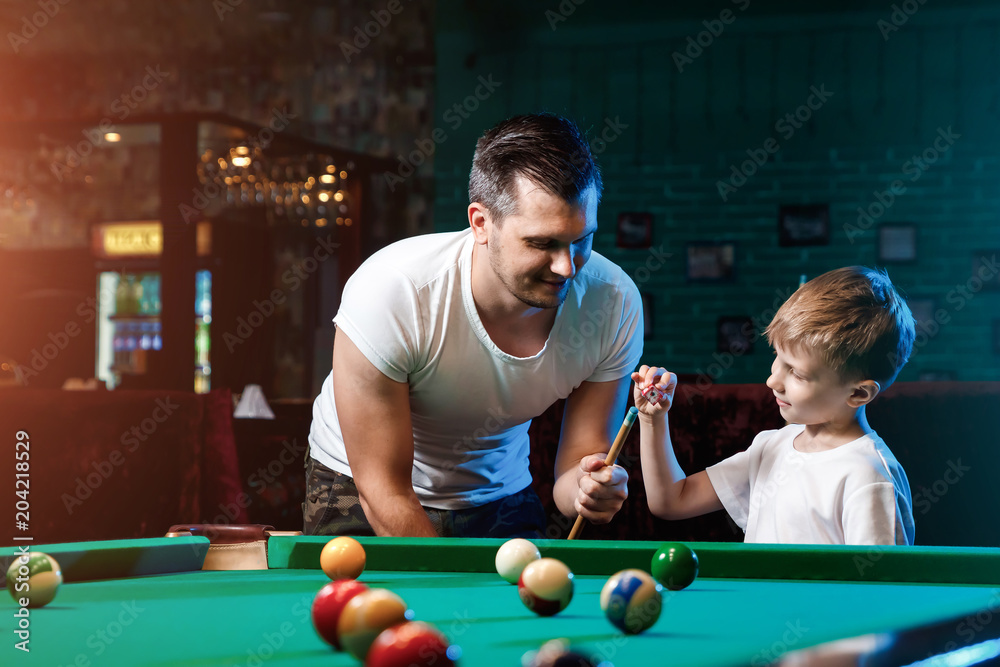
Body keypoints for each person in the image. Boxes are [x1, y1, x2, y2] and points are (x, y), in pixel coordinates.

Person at [304, 113, 644, 538]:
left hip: (498, 492)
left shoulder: (612, 302)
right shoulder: (393, 290)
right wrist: (445, 591)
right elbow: (385, 491)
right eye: (542, 243)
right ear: (481, 224)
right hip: (358, 485)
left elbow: (576, 466)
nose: (566, 266)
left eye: (582, 240)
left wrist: (588, 488)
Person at [634, 266, 916, 545]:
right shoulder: (771, 447)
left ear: (858, 394)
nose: (772, 381)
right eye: (777, 357)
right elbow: (672, 500)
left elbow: (880, 588)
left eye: (796, 373)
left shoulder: (870, 478)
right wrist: (652, 420)